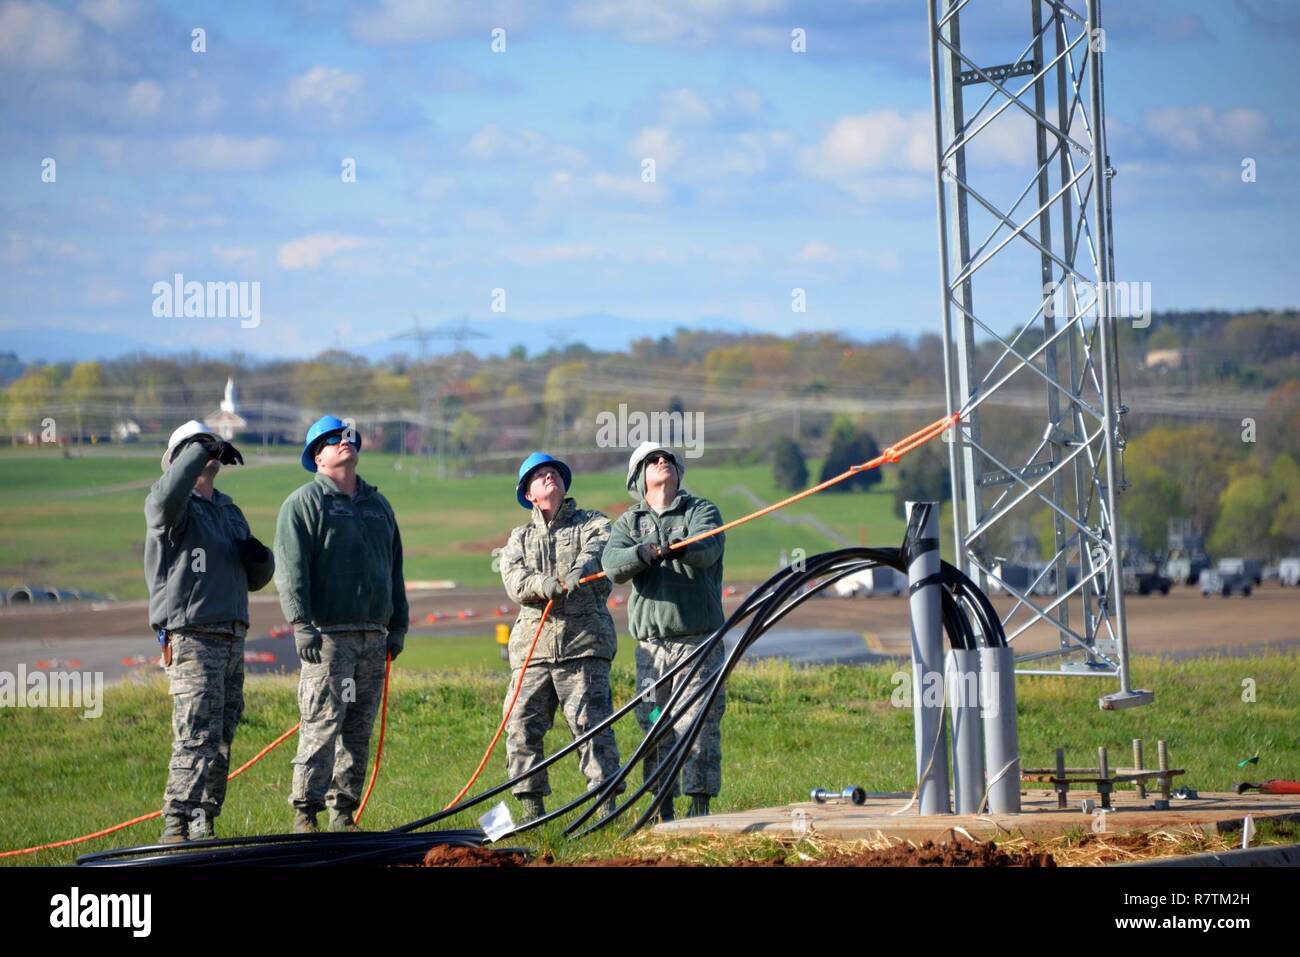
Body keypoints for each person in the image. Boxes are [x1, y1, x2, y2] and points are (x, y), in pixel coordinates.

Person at [274, 415, 408, 833]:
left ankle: (343, 814)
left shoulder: (378, 506)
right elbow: (290, 568)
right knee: (322, 723)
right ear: (318, 456)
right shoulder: (304, 503)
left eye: (347, 437)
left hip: (373, 635)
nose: (343, 442)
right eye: (332, 440)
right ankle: (306, 814)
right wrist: (300, 622)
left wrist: (398, 625)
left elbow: (395, 569)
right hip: (328, 636)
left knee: (358, 729)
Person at [145, 420, 274, 843]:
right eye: (201, 450)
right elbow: (165, 497)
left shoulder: (227, 510)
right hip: (193, 633)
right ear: (184, 457)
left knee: (221, 735)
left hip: (232, 634)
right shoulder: (173, 507)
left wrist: (261, 560)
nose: (212, 455)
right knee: (195, 732)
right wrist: (200, 447)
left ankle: (204, 819)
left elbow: (255, 579)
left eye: (212, 448)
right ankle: (176, 823)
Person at [601, 442, 726, 820]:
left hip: (696, 643)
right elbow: (612, 566)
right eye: (653, 460)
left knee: (697, 721)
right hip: (651, 650)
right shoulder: (628, 523)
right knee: (654, 722)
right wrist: (641, 552)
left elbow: (709, 548)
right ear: (639, 477)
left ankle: (699, 806)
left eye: (668, 459)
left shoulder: (700, 510)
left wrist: (680, 549)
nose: (662, 462)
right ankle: (661, 806)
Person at [499, 453, 623, 822]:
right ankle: (531, 809)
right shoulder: (518, 538)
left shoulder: (592, 522)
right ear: (529, 494)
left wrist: (576, 572)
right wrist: (543, 584)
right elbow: (515, 580)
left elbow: (599, 550)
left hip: (583, 644)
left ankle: (605, 806)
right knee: (521, 727)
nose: (548, 477)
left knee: (591, 726)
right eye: (539, 476)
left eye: (554, 472)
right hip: (532, 652)